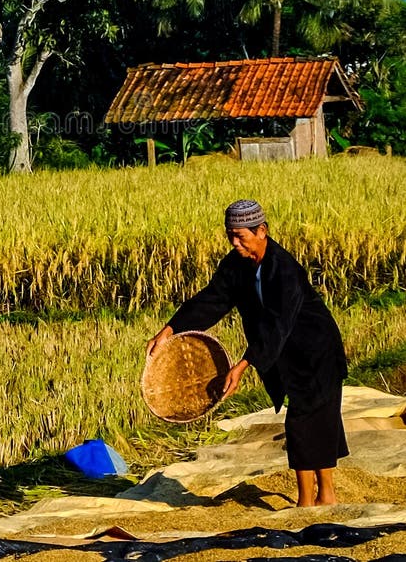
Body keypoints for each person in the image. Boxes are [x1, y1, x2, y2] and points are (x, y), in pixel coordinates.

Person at [147, 199, 348, 507]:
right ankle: (323, 496)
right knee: (313, 418)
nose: (235, 242)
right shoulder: (236, 265)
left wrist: (242, 366)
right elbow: (212, 300)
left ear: (262, 231)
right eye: (230, 235)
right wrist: (170, 329)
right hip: (285, 353)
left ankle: (311, 499)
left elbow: (278, 324)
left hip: (316, 350)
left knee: (307, 420)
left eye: (240, 235)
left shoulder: (284, 269)